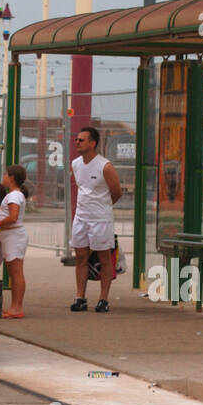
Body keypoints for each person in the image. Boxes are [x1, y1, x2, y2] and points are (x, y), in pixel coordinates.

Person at [70, 126, 123, 312]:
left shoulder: (105, 166)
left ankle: (103, 299)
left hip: (101, 219)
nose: (77, 142)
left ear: (92, 143)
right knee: (81, 257)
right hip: (81, 218)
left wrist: (103, 209)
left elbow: (116, 192)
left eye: (81, 140)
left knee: (104, 258)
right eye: (76, 139)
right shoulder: (76, 164)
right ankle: (80, 297)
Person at [0, 164, 30, 319]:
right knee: (14, 272)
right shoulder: (13, 195)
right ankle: (15, 306)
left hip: (14, 236)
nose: (3, 177)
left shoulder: (14, 196)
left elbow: (12, 217)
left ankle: (17, 307)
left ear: (11, 178)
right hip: (10, 237)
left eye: (5, 174)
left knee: (16, 273)